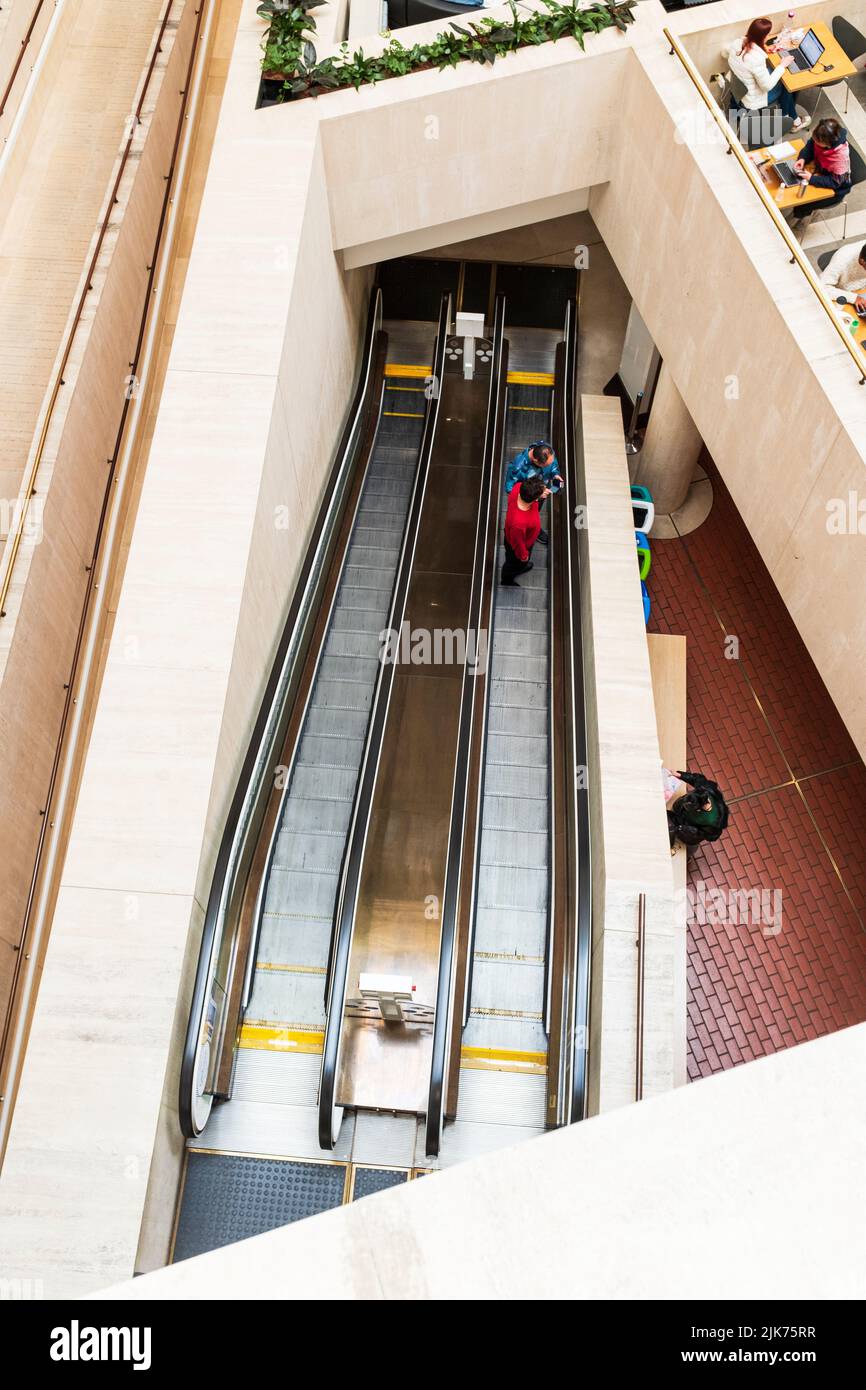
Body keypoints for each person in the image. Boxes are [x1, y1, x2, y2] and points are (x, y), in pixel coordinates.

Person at [723, 19, 803, 129]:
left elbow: (740, 58)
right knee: (787, 85)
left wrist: (764, 49)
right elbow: (767, 86)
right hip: (752, 98)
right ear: (763, 37)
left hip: (738, 88)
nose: (768, 37)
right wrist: (782, 65)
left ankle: (791, 117)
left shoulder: (736, 43)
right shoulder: (756, 60)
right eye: (767, 35)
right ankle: (791, 120)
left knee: (778, 75)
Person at [791, 119, 852, 226]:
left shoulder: (840, 158)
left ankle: (798, 219)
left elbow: (835, 182)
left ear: (829, 144)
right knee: (794, 187)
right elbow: (810, 145)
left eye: (818, 142)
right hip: (820, 171)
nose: (815, 142)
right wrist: (803, 158)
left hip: (835, 189)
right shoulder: (821, 137)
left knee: (802, 201)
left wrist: (811, 179)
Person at [503, 440, 562, 546]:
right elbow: (510, 489)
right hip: (528, 499)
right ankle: (528, 533)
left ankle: (534, 530)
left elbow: (553, 464)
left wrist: (555, 474)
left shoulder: (545, 449)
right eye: (546, 465)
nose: (550, 464)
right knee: (524, 521)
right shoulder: (518, 467)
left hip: (541, 491)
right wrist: (535, 495)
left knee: (535, 512)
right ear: (535, 460)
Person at [664, 768, 729, 849]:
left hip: (686, 826)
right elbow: (697, 779)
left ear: (698, 809)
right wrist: (681, 775)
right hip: (680, 812)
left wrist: (687, 830)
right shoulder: (705, 790)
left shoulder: (714, 823)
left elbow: (712, 836)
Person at [502, 475, 544, 587]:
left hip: (525, 539)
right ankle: (507, 580)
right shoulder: (518, 524)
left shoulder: (518, 487)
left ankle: (520, 566)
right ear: (535, 499)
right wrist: (524, 556)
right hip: (519, 547)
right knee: (513, 564)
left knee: (518, 562)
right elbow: (517, 544)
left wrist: (541, 494)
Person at [820, 242, 866, 316]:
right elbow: (821, 287)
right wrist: (854, 298)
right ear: (862, 261)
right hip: (841, 297)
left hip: (862, 292)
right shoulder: (842, 259)